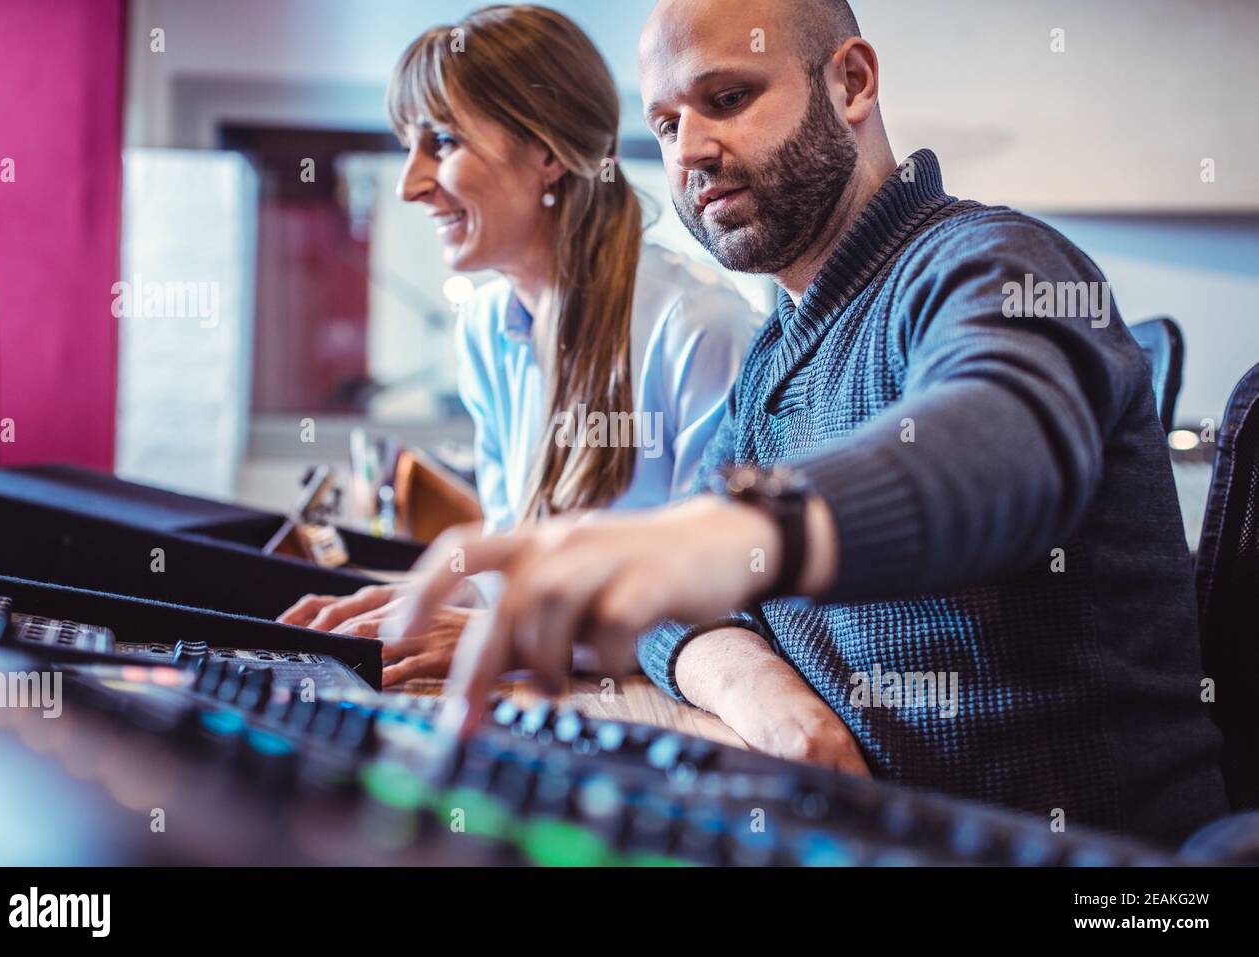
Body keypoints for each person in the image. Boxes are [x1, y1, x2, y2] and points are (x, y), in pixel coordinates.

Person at [401, 0, 1228, 843]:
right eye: (665, 122)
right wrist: (756, 685)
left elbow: (1002, 442)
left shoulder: (995, 261)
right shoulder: (777, 351)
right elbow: (675, 614)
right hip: (861, 833)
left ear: (852, 83)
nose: (687, 150)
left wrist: (734, 533)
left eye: (725, 99)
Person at [277, 5, 762, 687]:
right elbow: (521, 565)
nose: (408, 184)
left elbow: (725, 606)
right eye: (407, 146)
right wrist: (431, 605)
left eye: (441, 143)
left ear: (547, 153)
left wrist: (523, 638)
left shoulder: (698, 326)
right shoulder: (484, 328)